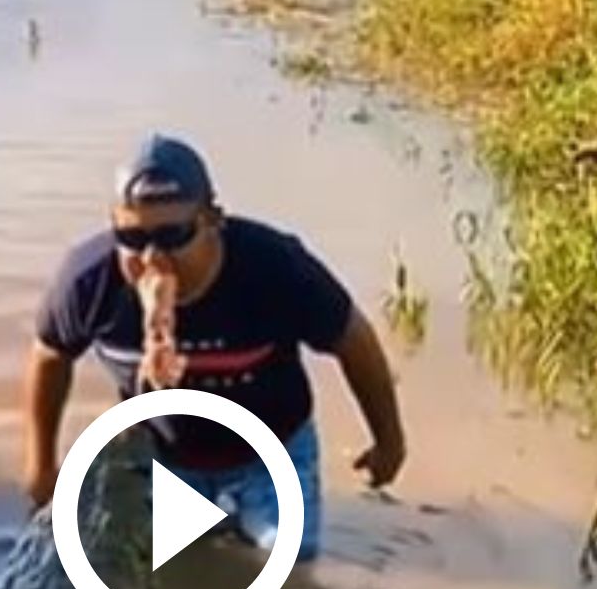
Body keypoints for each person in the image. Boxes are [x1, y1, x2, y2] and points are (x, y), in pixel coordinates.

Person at [23, 133, 406, 561]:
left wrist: (388, 441)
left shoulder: (274, 266)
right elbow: (50, 354)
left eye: (173, 235)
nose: (152, 258)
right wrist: (41, 467)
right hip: (163, 457)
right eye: (132, 239)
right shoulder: (88, 283)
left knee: (291, 578)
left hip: (272, 450)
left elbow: (354, 341)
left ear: (212, 219)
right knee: (173, 576)